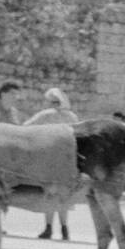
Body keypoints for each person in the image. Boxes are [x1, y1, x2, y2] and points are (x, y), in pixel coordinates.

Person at [25, 88, 79, 241]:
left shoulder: (45, 115)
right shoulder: (72, 116)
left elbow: (26, 127)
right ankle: (64, 229)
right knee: (63, 197)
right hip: (67, 161)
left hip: (49, 159)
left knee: (49, 194)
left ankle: (48, 228)